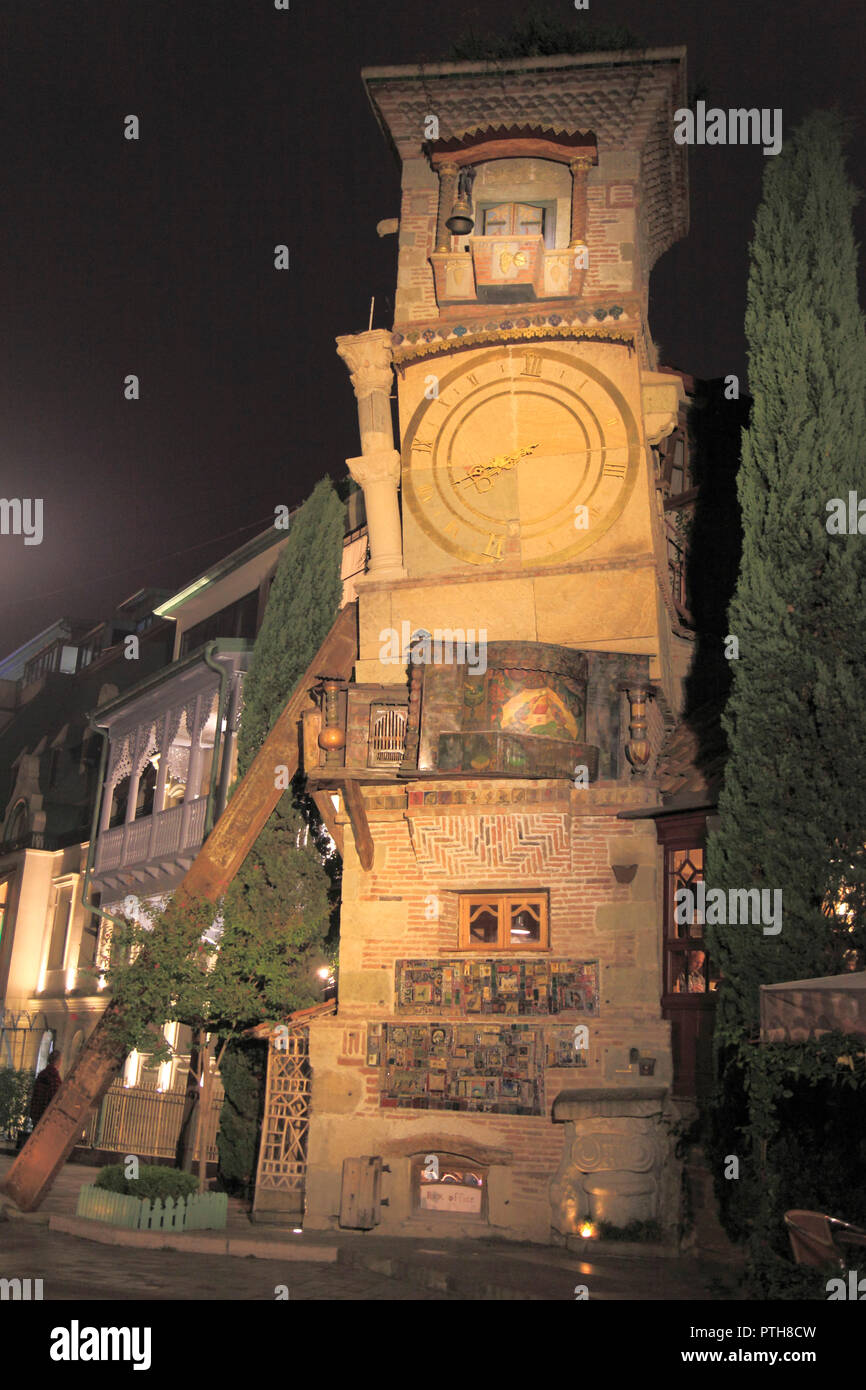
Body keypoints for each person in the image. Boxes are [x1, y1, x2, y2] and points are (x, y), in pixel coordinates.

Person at [29, 1050, 63, 1129]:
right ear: (58, 1061)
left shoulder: (42, 1074)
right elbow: (55, 1099)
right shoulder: (54, 1077)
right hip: (46, 1118)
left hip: (36, 1115)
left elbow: (35, 1095)